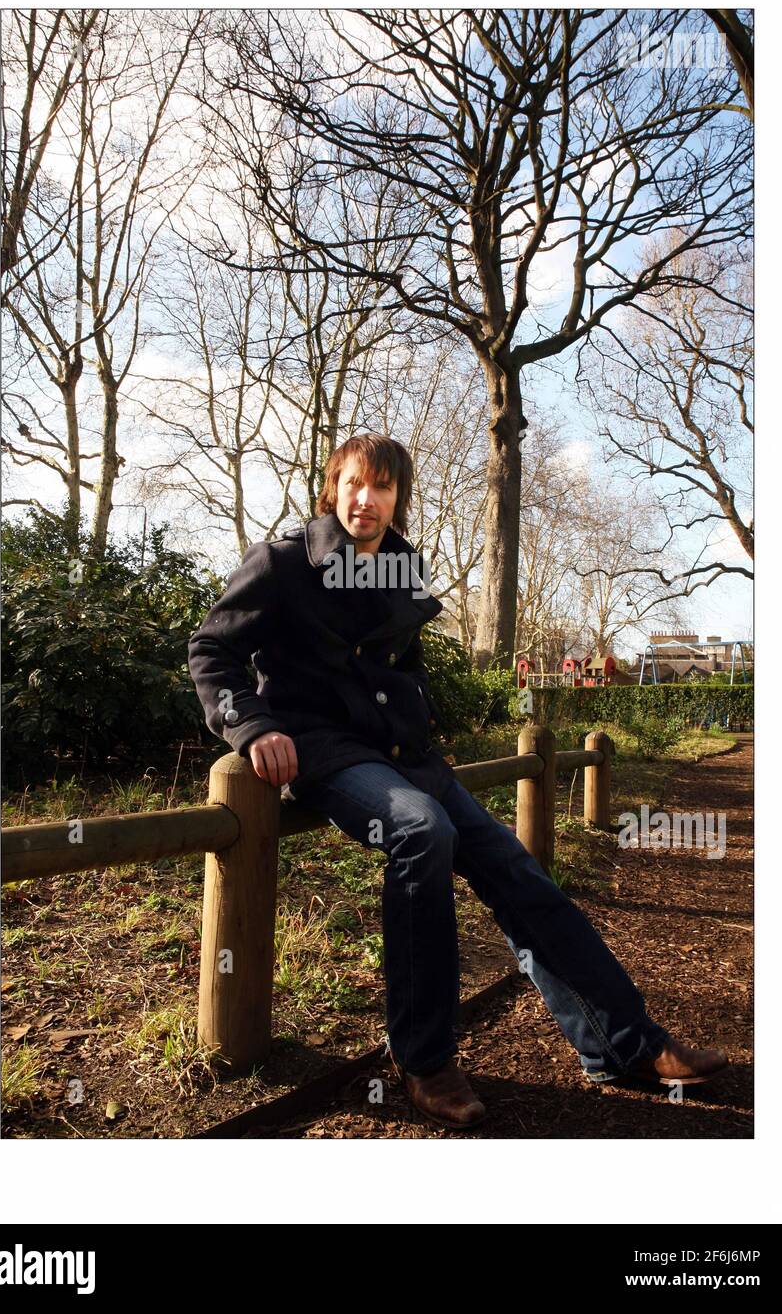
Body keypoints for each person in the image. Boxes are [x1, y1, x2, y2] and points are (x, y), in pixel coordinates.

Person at [187, 432, 729, 1129]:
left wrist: (419, 719)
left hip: (407, 756)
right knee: (420, 830)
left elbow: (404, 667)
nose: (366, 498)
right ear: (332, 488)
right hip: (328, 752)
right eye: (354, 483)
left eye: (381, 487)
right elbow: (210, 646)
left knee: (518, 872)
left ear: (397, 498)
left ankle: (626, 1044)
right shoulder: (284, 563)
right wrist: (254, 728)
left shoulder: (402, 570)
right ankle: (424, 1059)